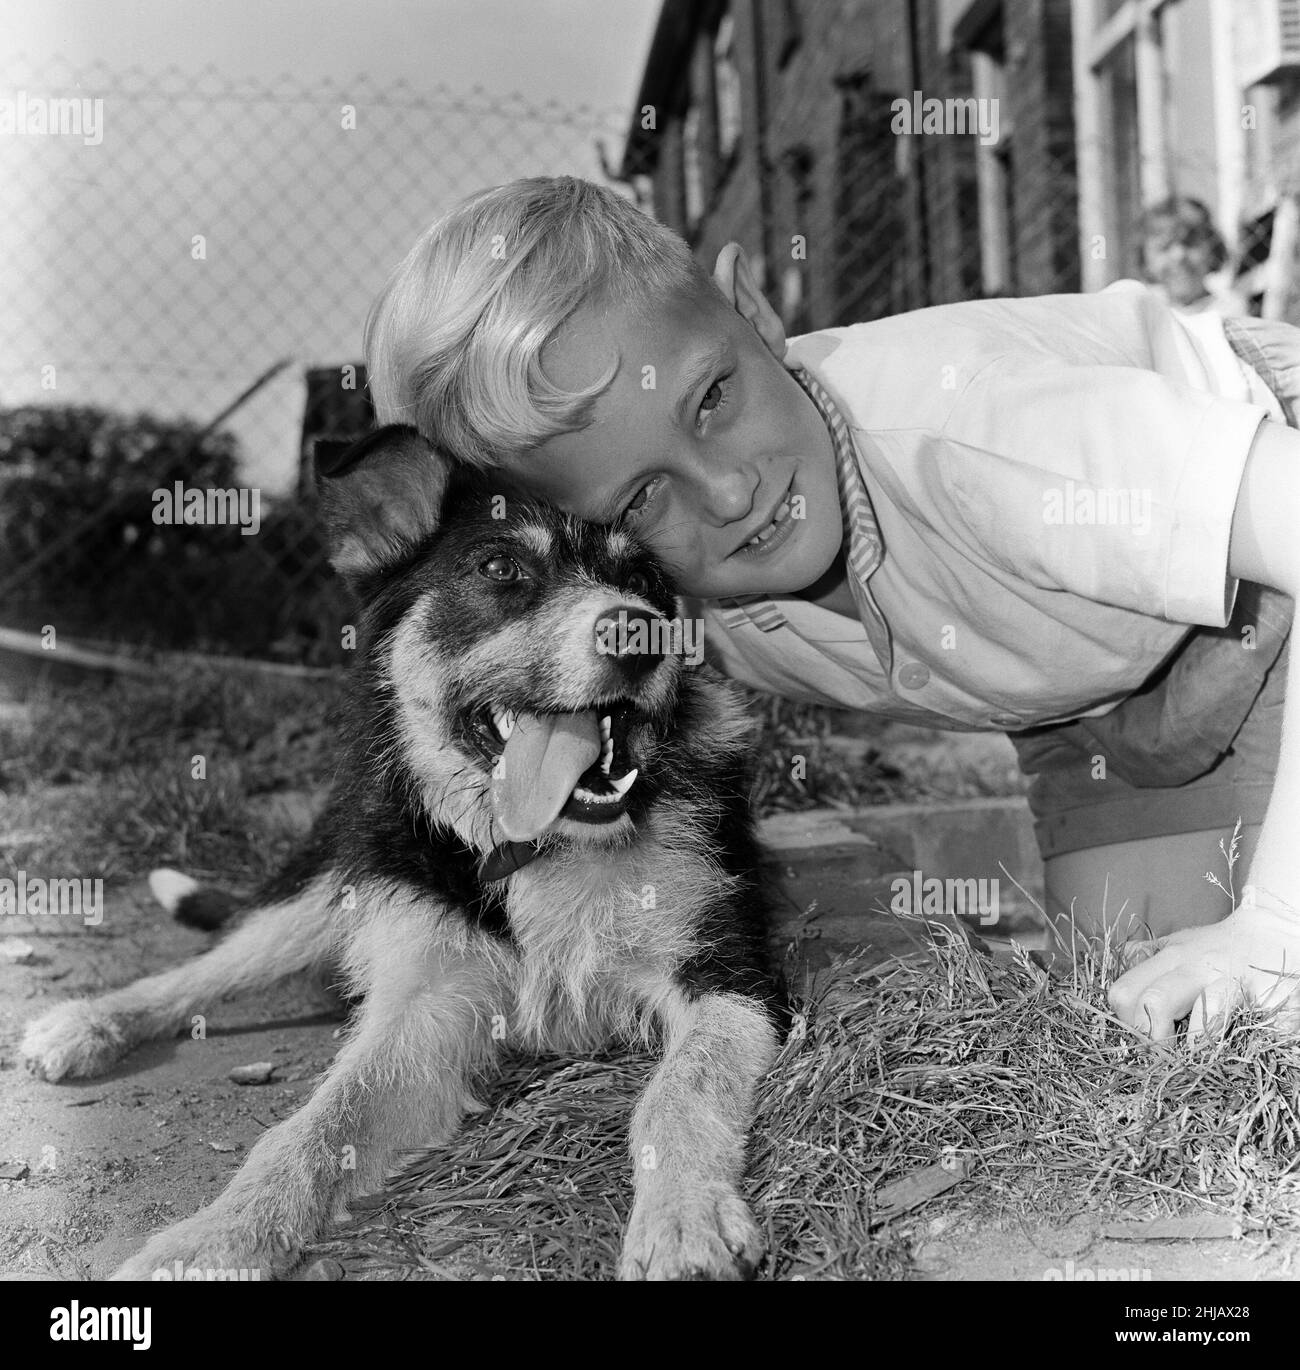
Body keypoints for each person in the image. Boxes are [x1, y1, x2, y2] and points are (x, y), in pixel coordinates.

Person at [363, 176, 1299, 1042]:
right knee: (1135, 1017)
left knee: (1262, 1000)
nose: (730, 493)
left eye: (713, 398)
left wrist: (1274, 931)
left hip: (1267, 530)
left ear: (757, 318)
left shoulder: (973, 435)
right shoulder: (667, 615)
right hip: (1094, 699)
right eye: (642, 500)